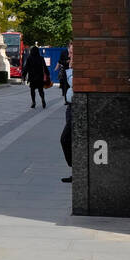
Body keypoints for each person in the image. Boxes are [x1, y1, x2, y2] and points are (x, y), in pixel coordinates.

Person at [61, 43, 74, 182]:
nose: (69, 56)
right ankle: (76, 170)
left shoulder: (76, 68)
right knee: (70, 140)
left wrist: (70, 70)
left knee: (65, 139)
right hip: (70, 107)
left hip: (76, 107)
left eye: (71, 53)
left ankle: (77, 168)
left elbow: (74, 84)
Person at [22, 44, 48, 108]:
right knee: (40, 90)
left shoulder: (29, 58)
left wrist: (24, 75)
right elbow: (45, 67)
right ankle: (43, 99)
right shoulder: (41, 58)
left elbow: (26, 68)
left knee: (32, 90)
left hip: (32, 77)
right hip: (40, 77)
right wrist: (48, 74)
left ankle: (33, 102)